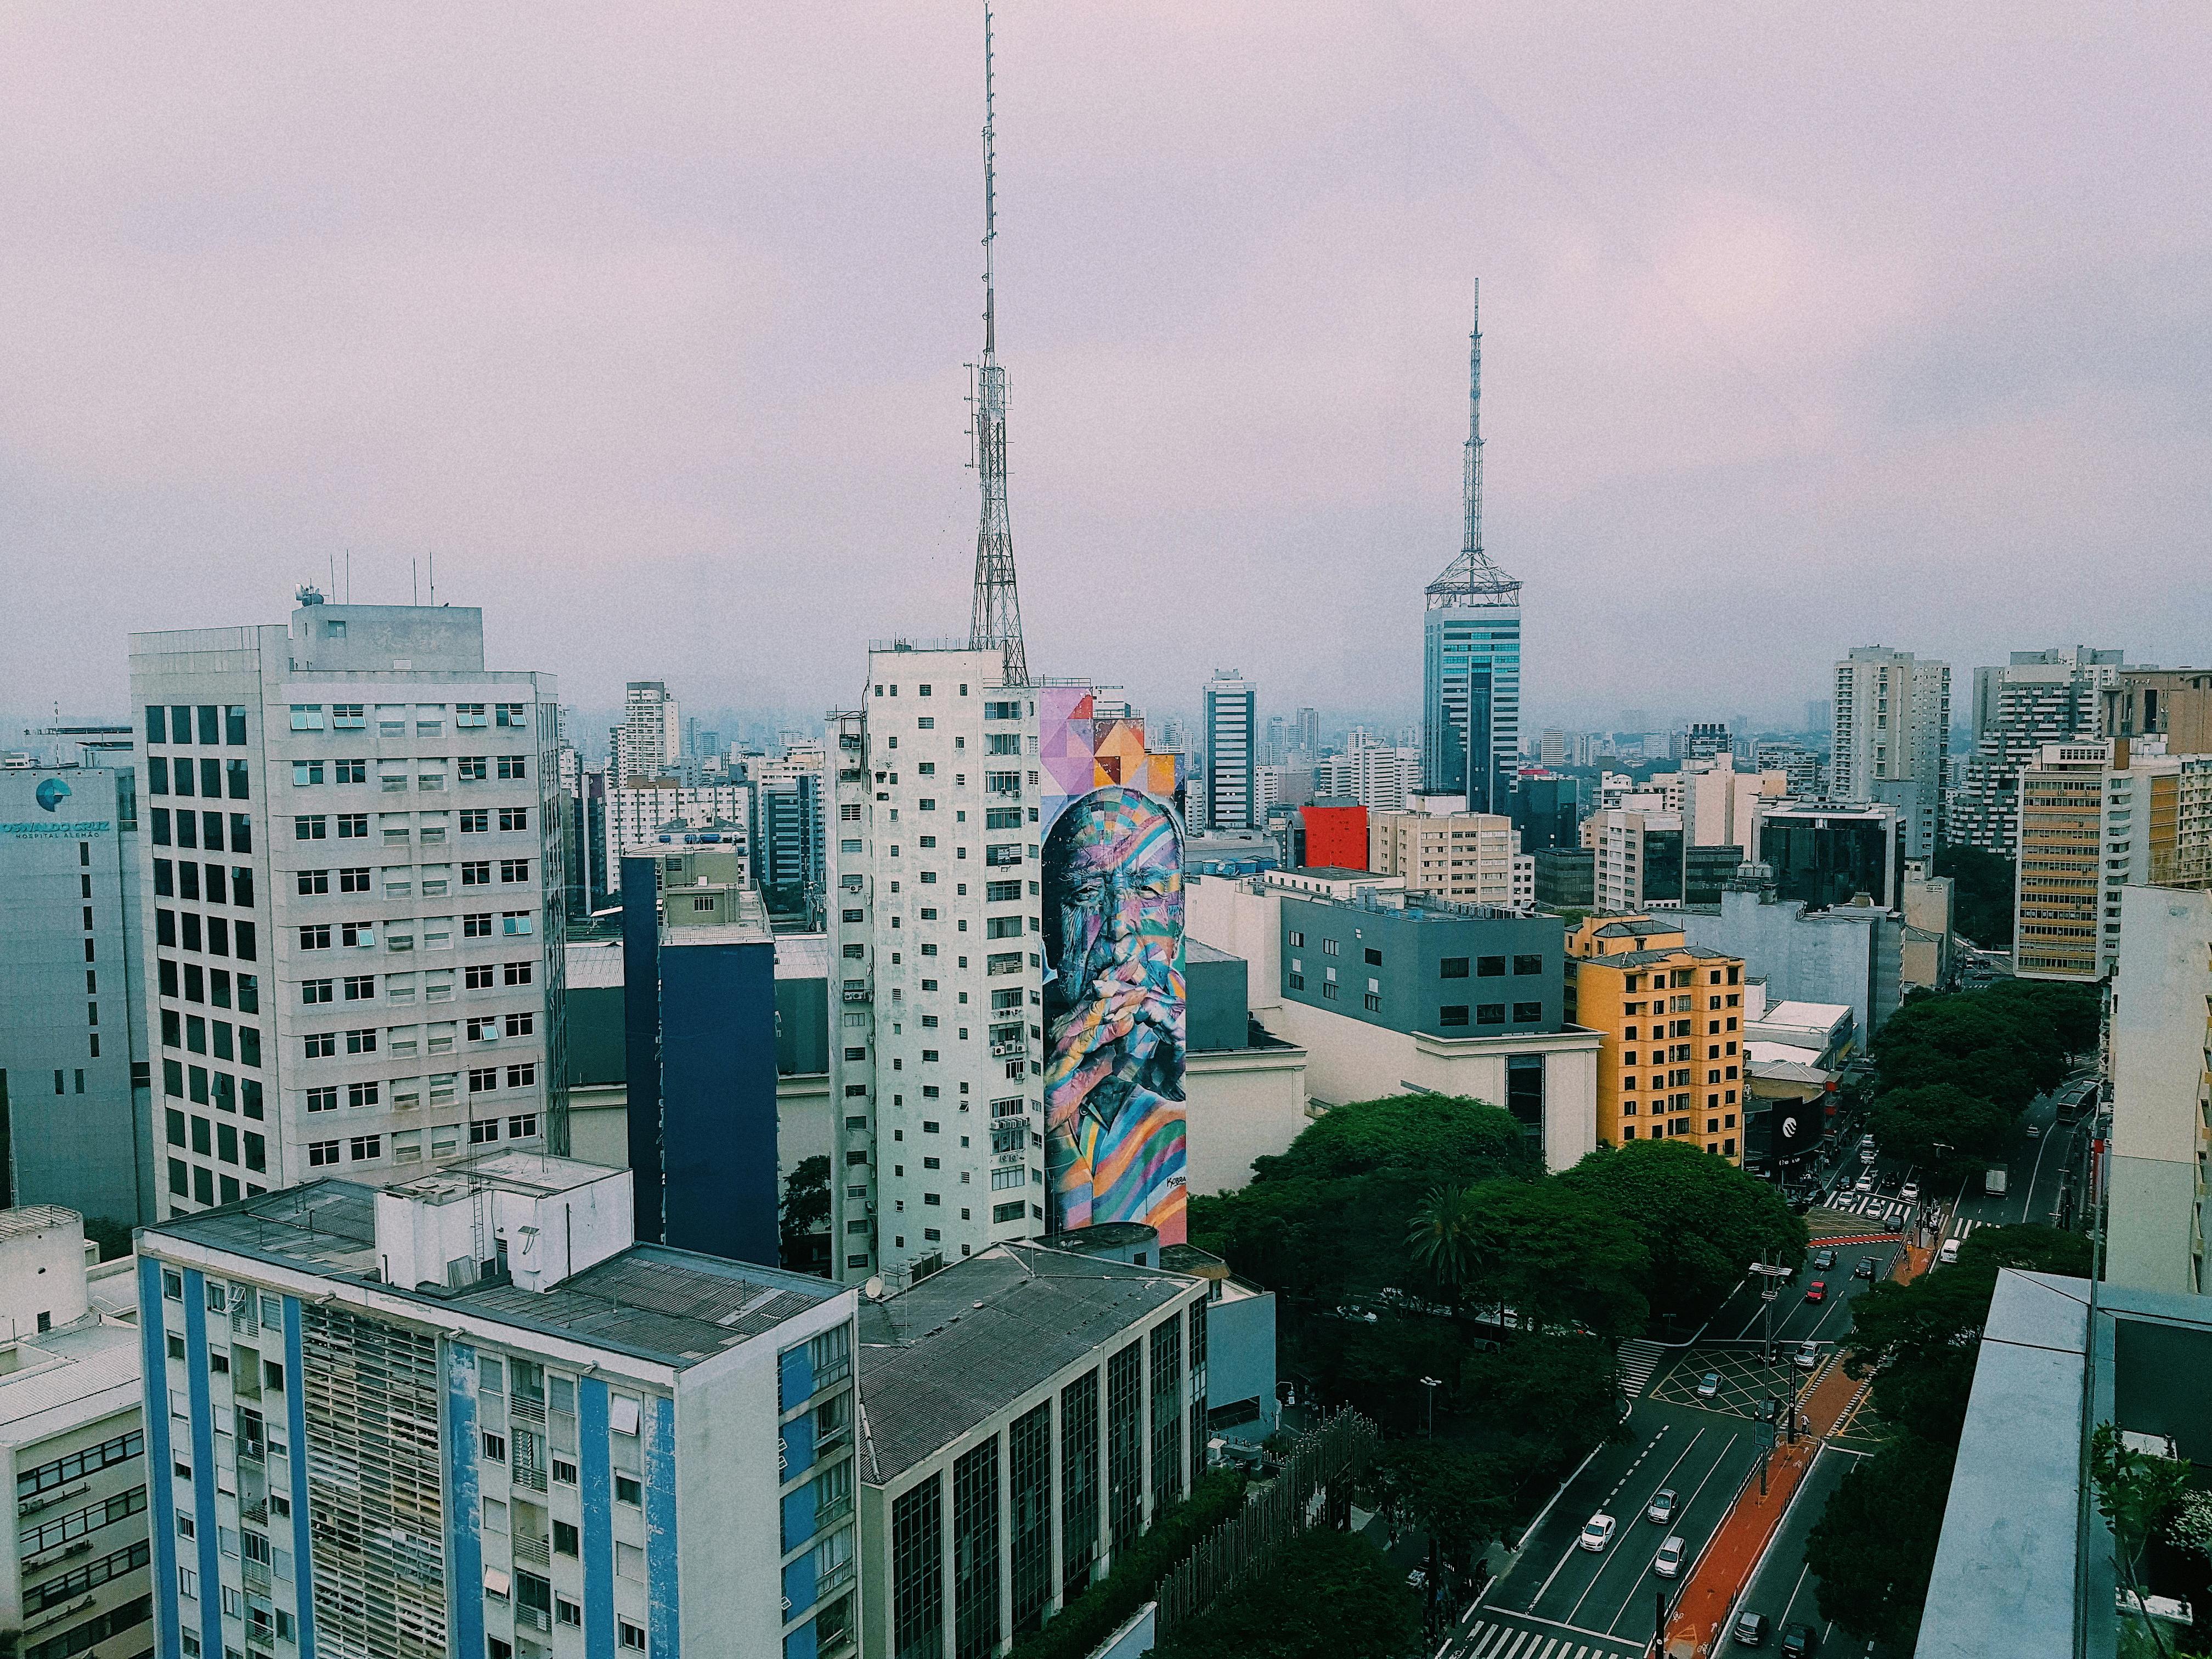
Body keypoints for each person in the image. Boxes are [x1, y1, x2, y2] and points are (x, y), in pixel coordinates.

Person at [1040, 785, 1187, 1239]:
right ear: (1047, 927)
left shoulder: (1185, 1047)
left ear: (1178, 919)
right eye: (1085, 894)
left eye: (1148, 888)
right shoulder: (1013, 1039)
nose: (1120, 925)